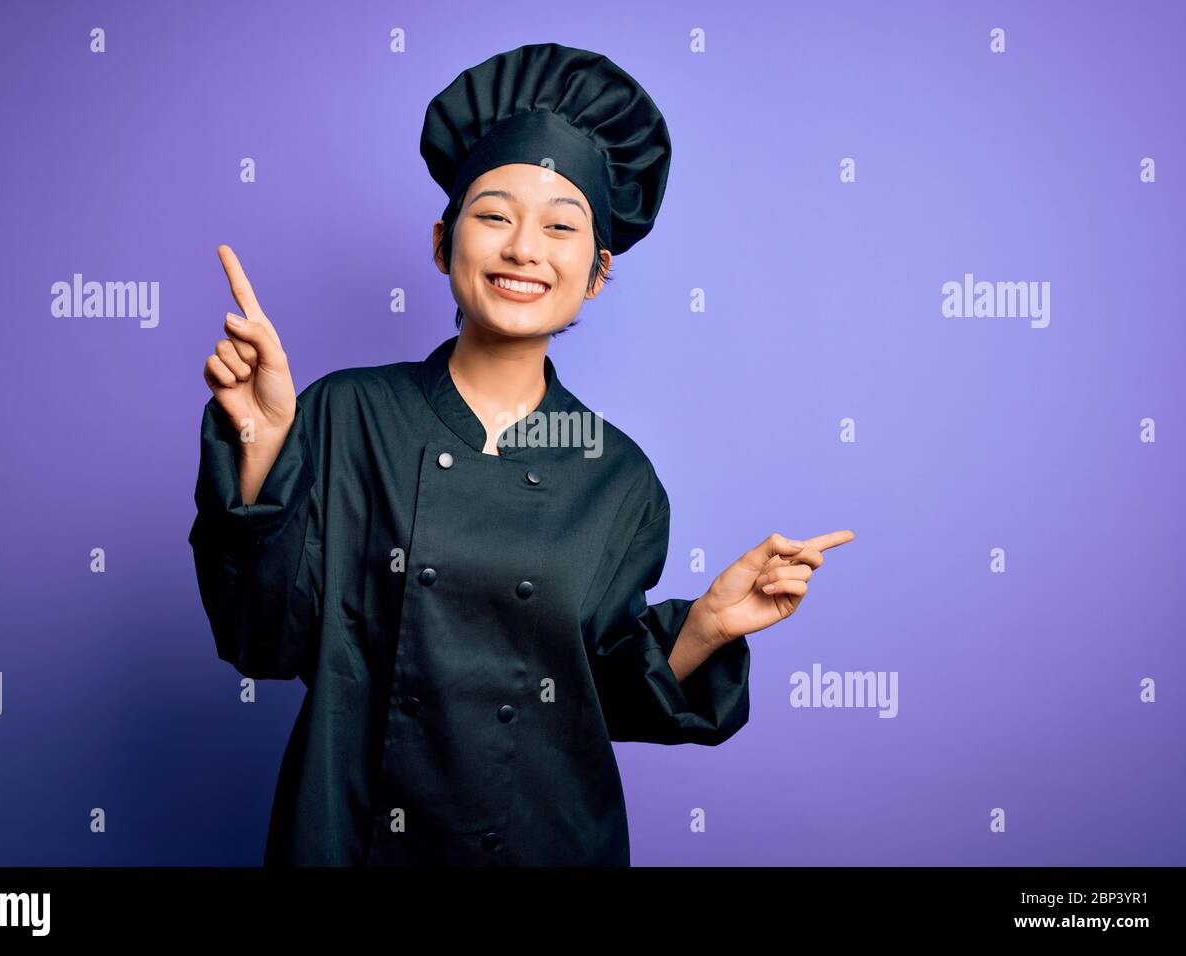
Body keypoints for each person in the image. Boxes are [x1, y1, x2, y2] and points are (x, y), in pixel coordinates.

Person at [188, 42, 854, 866]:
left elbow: (595, 694)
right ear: (443, 242)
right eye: (494, 215)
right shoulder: (346, 413)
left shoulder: (619, 478)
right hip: (353, 835)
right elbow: (264, 644)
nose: (523, 247)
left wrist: (707, 625)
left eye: (561, 226)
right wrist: (259, 443)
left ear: (598, 273)